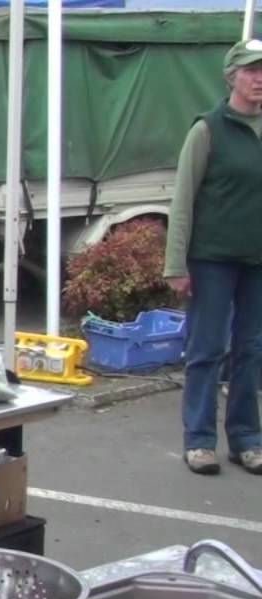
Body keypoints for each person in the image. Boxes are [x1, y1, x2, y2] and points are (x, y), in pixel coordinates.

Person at [164, 38, 262, 476]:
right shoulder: (207, 129)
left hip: (257, 259)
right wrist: (176, 265)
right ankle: (199, 441)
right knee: (207, 348)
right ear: (231, 77)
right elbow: (182, 202)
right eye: (251, 71)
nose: (259, 79)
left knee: (252, 350)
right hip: (212, 259)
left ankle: (246, 439)